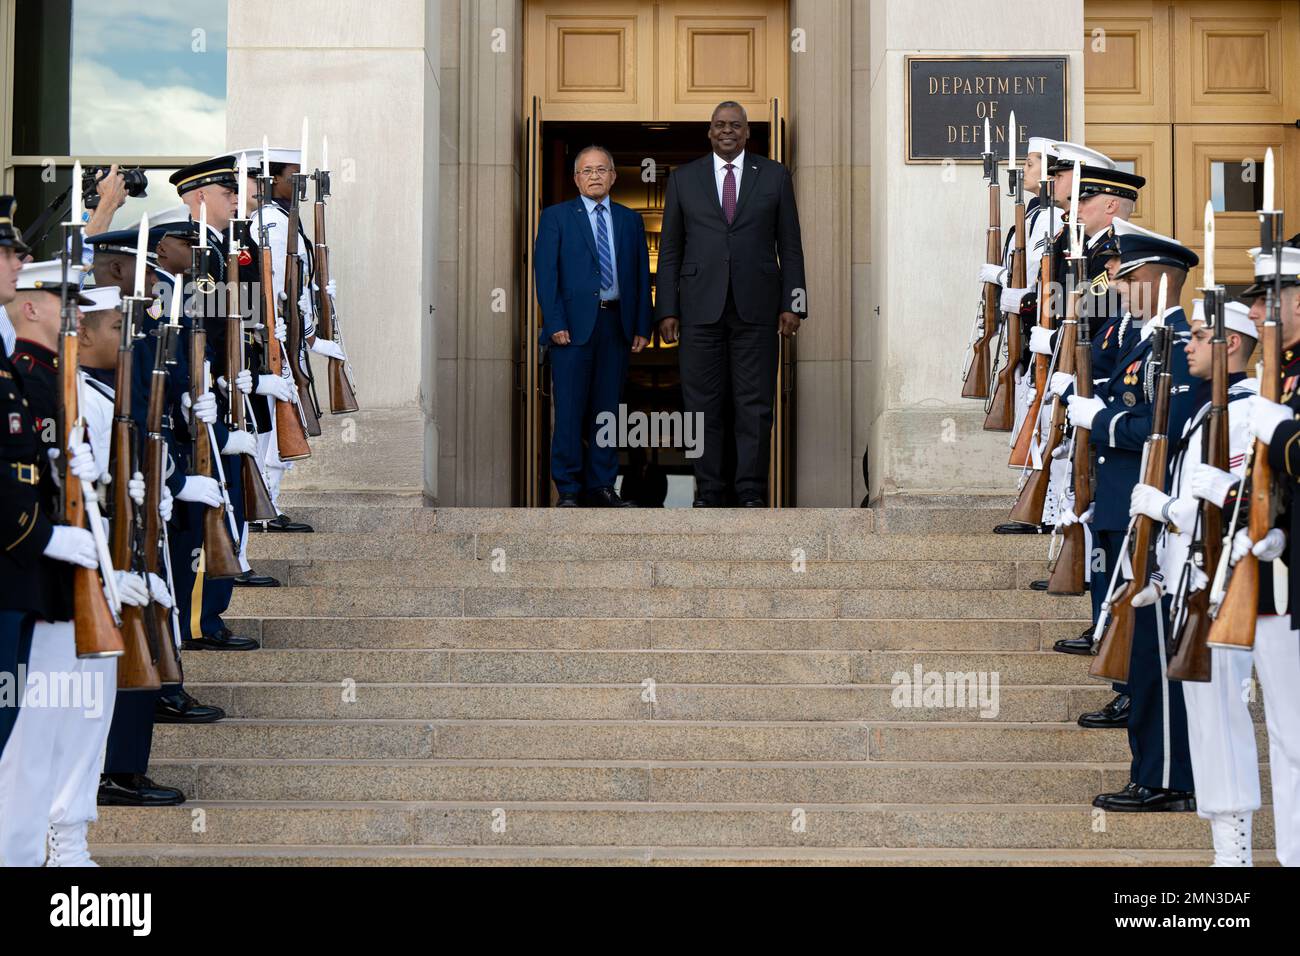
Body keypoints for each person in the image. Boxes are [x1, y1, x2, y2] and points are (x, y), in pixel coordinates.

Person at [0, 260, 149, 866]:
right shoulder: (25, 379)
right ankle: (32, 849)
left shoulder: (51, 378)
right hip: (37, 578)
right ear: (29, 306)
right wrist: (47, 538)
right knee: (32, 736)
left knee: (81, 714)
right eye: (61, 299)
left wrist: (124, 517)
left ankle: (65, 841)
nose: (73, 313)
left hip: (77, 577)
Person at [1067, 219, 1199, 812]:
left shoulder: (1176, 343)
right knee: (1143, 654)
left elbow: (1160, 431)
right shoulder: (1148, 341)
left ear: (1159, 281)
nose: (1117, 283)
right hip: (1135, 501)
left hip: (1160, 513)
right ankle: (1154, 771)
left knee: (1153, 657)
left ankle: (1165, 777)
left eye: (1129, 276)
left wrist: (1100, 421)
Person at [1126, 299, 1261, 862]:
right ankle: (1226, 849)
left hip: (1227, 588)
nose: (1188, 343)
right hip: (1190, 585)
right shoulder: (1209, 411)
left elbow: (1240, 509)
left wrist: (1169, 509)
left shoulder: (1249, 414)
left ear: (1230, 344)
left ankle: (1236, 855)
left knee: (1224, 720)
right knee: (1206, 721)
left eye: (1200, 336)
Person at [656, 101, 807, 507]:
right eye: (720, 125)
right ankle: (709, 493)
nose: (727, 131)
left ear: (746, 133)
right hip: (698, 311)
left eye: (735, 125)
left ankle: (751, 493)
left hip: (757, 310)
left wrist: (795, 304)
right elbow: (670, 249)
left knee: (754, 405)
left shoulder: (774, 175)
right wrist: (666, 309)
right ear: (709, 132)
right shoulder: (683, 179)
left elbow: (790, 246)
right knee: (702, 407)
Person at [1229, 241, 1300, 865]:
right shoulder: (1280, 376)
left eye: (1268, 300)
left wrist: (1277, 429)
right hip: (1277, 583)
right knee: (1285, 734)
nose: (1255, 314)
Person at [533, 145, 652, 507]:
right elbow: (546, 273)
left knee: (607, 410)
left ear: (614, 176)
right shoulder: (556, 217)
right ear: (575, 178)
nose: (595, 176)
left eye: (602, 169)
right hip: (570, 328)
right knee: (569, 410)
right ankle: (568, 488)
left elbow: (639, 276)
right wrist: (554, 321)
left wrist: (641, 326)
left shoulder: (630, 220)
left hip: (615, 324)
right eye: (587, 171)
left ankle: (601, 486)